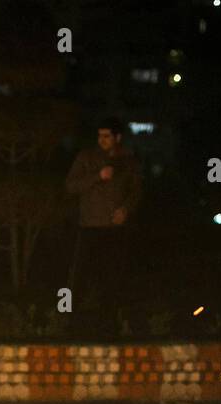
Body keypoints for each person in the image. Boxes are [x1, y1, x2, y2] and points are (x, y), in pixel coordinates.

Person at [64, 117, 142, 333]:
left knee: (112, 275)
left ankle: (109, 321)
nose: (103, 140)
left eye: (107, 136)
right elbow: (71, 185)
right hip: (89, 226)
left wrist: (126, 209)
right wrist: (97, 176)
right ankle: (70, 320)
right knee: (79, 275)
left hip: (114, 229)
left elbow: (136, 191)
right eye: (100, 135)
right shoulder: (87, 157)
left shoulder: (128, 161)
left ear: (117, 137)